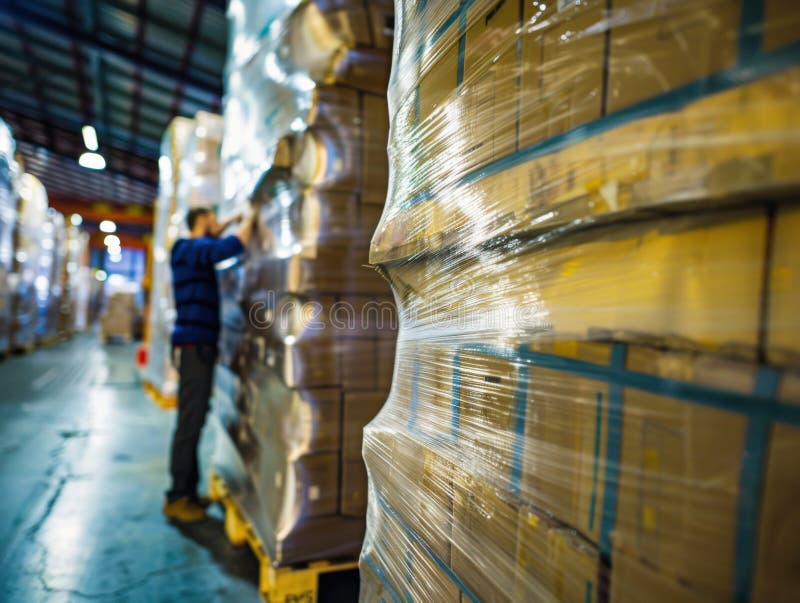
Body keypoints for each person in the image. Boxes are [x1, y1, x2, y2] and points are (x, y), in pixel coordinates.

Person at [163, 206, 254, 523]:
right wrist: (253, 216)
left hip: (196, 347)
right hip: (194, 347)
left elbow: (215, 236)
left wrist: (226, 220)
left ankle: (187, 491)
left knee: (195, 418)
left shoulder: (192, 249)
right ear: (202, 221)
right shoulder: (188, 248)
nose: (219, 225)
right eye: (213, 221)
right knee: (190, 422)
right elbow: (229, 246)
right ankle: (177, 496)